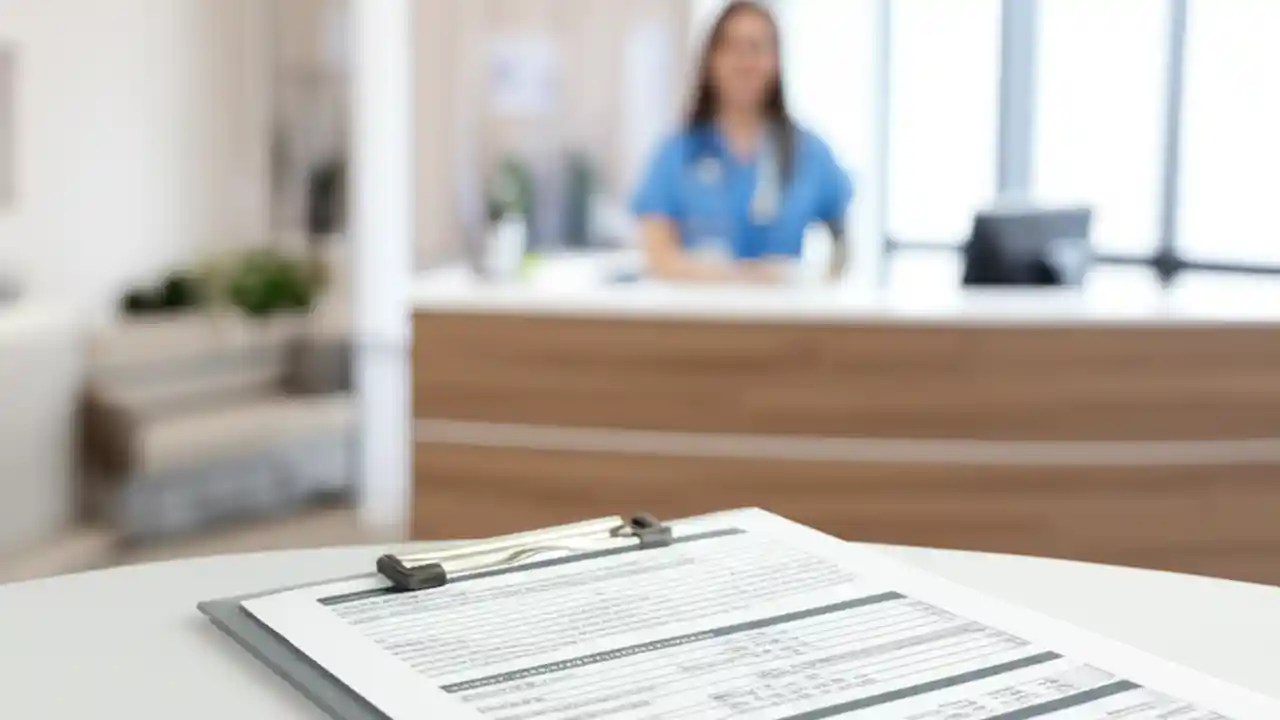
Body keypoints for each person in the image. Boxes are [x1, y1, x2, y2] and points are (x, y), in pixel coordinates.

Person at [633, 0, 854, 283]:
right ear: (711, 59)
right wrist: (732, 277)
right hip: (698, 319)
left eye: (757, 48)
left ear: (775, 62)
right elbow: (658, 253)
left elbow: (844, 247)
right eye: (732, 47)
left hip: (786, 320)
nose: (745, 62)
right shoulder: (677, 153)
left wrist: (819, 285)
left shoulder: (809, 152)